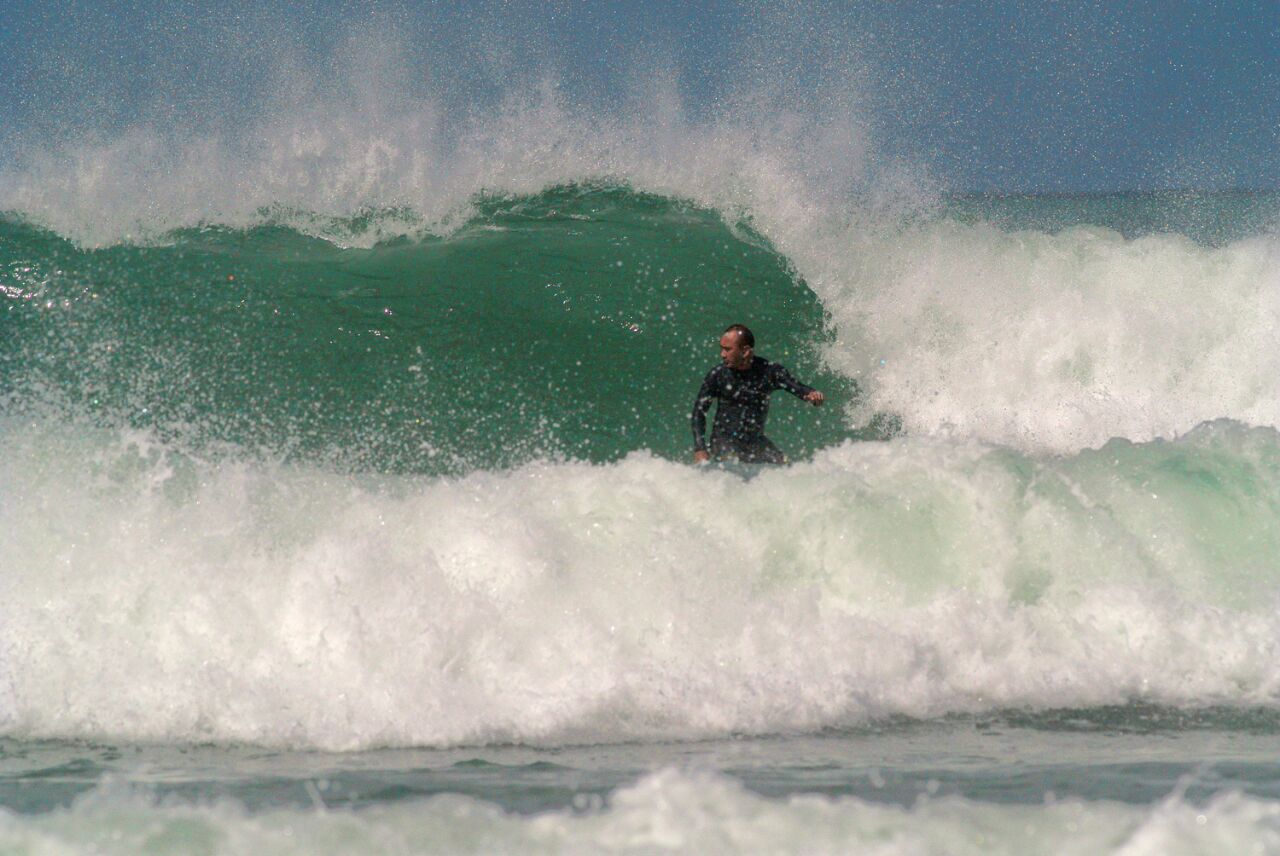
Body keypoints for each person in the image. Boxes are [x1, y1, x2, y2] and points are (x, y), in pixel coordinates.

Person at [691, 324, 824, 464]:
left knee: (786, 468)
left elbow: (796, 386)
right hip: (724, 442)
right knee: (732, 467)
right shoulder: (717, 375)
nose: (722, 354)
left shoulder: (769, 371)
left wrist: (811, 394)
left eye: (727, 349)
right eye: (722, 349)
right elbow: (698, 412)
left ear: (745, 351)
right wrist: (700, 448)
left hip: (755, 441)